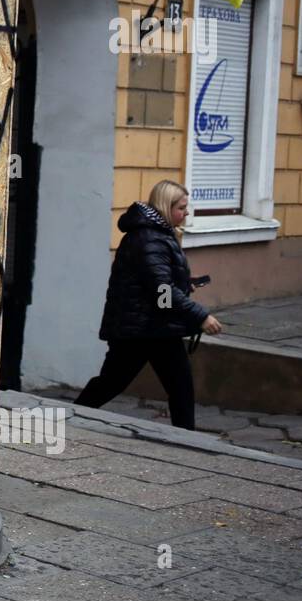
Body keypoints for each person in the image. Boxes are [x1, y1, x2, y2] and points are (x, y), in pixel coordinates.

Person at [75, 179, 222, 430]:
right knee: (113, 383)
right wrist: (200, 316)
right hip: (141, 329)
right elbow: (161, 290)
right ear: (166, 207)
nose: (186, 213)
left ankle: (185, 438)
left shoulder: (157, 234)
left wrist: (184, 285)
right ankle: (71, 415)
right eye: (181, 208)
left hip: (153, 326)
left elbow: (158, 285)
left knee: (178, 386)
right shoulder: (149, 238)